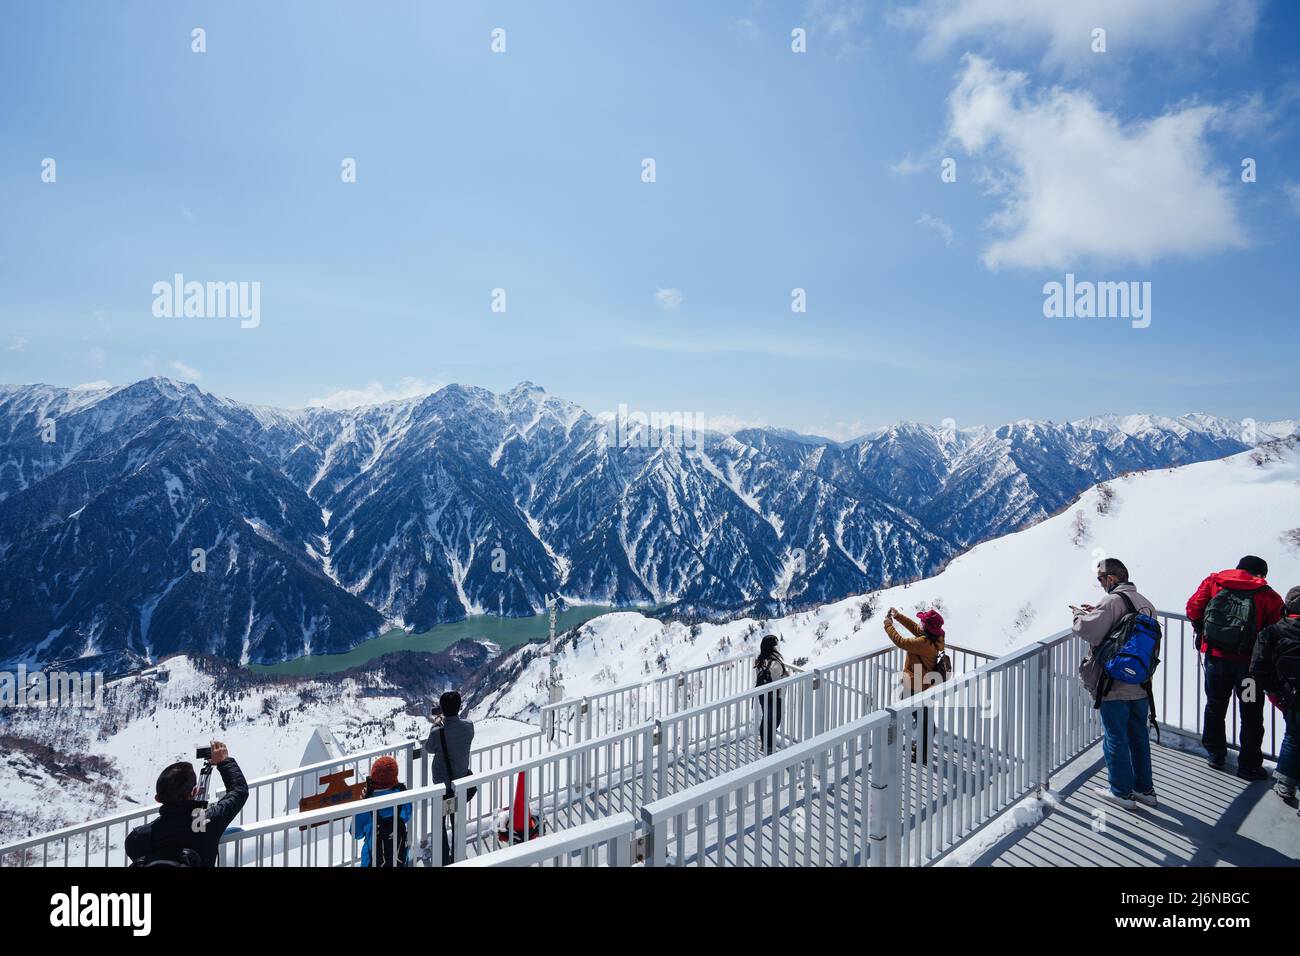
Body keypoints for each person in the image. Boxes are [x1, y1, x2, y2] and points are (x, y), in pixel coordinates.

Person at [1186, 555, 1284, 778]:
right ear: (1260, 574)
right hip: (1248, 668)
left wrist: (1204, 630)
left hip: (1216, 660)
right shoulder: (1267, 595)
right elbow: (1275, 630)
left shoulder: (1214, 582)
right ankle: (1249, 765)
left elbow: (1193, 608)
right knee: (1250, 713)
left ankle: (1215, 754)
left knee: (1215, 705)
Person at [1073, 559, 1157, 811]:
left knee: (1115, 737)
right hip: (1141, 684)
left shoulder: (1111, 602)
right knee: (1139, 736)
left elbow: (1086, 630)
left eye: (1100, 580)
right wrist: (1098, 612)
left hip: (1114, 683)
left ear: (1111, 579)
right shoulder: (1145, 603)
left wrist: (1079, 614)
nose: (1100, 585)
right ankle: (1145, 789)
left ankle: (1120, 791)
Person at [125, 739, 248, 867]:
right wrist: (224, 761)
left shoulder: (137, 838)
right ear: (194, 792)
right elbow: (239, 791)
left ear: (158, 799)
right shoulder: (205, 822)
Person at [1249, 585, 1300, 806]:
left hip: (1290, 695)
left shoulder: (1272, 632)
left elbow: (1258, 667)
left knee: (1292, 736)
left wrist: (1274, 692)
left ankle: (1285, 783)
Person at [883, 606, 947, 762]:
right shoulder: (933, 639)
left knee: (923, 720)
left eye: (923, 621)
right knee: (923, 718)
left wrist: (888, 625)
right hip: (923, 684)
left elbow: (902, 642)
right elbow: (915, 628)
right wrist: (898, 616)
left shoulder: (924, 643)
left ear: (928, 626)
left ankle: (922, 753)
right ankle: (923, 747)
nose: (920, 623)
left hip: (914, 685)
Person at [425, 690, 475, 866]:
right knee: (457, 821)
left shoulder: (437, 732)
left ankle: (443, 859)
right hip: (460, 784)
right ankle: (458, 856)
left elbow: (429, 748)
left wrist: (437, 724)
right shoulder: (468, 726)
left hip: (441, 786)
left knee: (439, 824)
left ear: (443, 710)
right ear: (460, 707)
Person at [352, 755, 412, 867]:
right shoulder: (403, 796)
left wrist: (362, 802)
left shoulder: (367, 804)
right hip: (399, 859)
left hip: (372, 861)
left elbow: (356, 833)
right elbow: (407, 816)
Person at [754, 635, 789, 755]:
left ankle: (766, 744)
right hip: (774, 696)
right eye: (776, 645)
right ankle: (769, 747)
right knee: (775, 720)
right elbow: (779, 682)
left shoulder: (759, 660)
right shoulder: (776, 664)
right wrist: (786, 675)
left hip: (763, 695)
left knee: (767, 718)